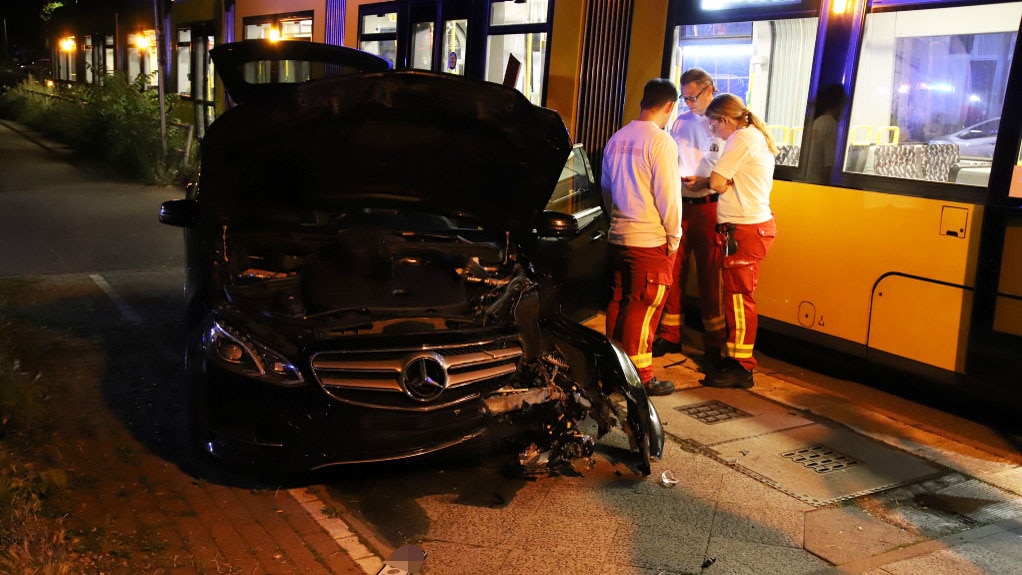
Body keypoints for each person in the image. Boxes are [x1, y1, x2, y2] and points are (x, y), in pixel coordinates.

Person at [601, 78, 682, 396]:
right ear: (669, 106)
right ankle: (639, 377)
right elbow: (669, 197)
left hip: (619, 234)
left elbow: (606, 189)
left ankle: (612, 367)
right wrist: (674, 236)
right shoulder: (661, 142)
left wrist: (616, 219)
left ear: (643, 102)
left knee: (619, 302)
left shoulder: (617, 138)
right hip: (649, 240)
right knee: (645, 305)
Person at [651, 68, 727, 369]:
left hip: (709, 204)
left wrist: (706, 180)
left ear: (710, 89)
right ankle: (670, 334)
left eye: (693, 97)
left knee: (711, 276)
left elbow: (729, 168)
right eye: (684, 98)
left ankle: (714, 344)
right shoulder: (680, 121)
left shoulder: (724, 123)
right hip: (682, 203)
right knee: (674, 270)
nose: (689, 103)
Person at [702, 93, 778, 389]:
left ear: (725, 120)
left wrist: (720, 181)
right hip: (750, 227)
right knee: (737, 296)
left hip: (744, 229)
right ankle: (736, 358)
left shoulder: (741, 139)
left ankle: (741, 367)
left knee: (738, 298)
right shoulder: (753, 135)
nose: (713, 132)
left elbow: (717, 182)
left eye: (713, 125)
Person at [803, 83, 847, 184]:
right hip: (817, 184)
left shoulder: (815, 121)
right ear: (838, 105)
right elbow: (829, 165)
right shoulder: (831, 124)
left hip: (805, 182)